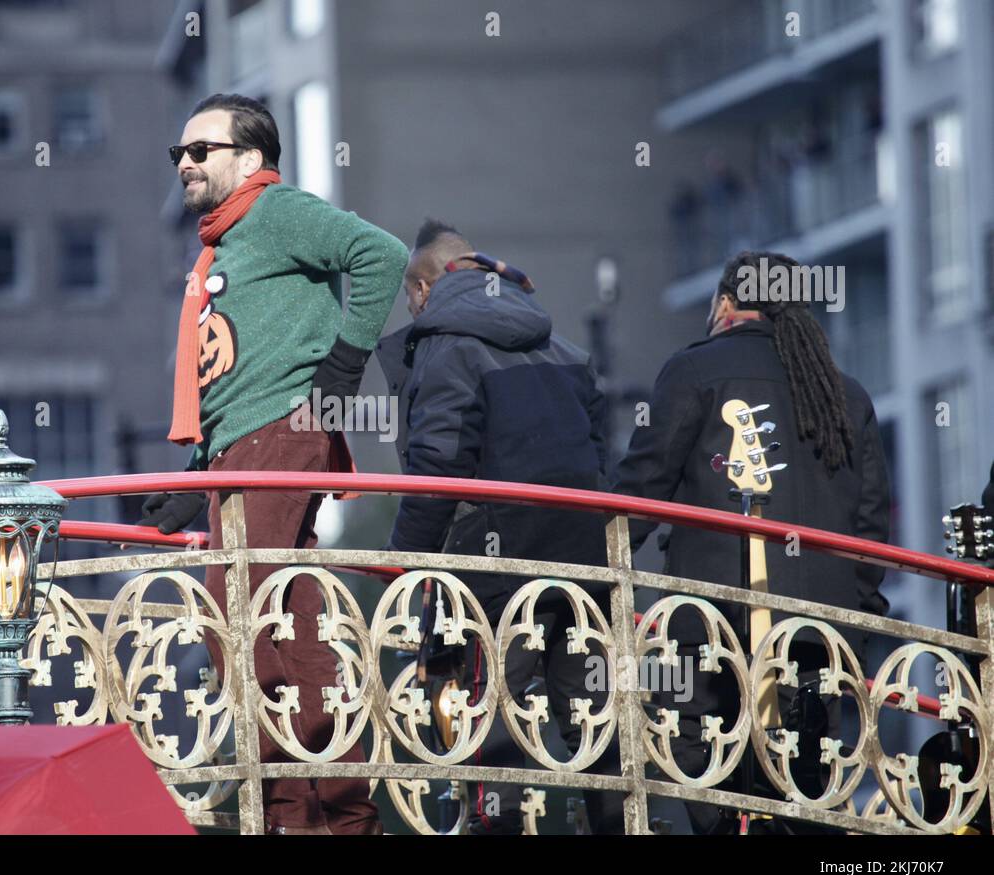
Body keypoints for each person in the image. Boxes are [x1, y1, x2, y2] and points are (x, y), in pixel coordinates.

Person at [139, 93, 408, 835]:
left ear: (250, 159)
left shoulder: (276, 209)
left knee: (238, 612)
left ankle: (309, 812)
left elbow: (380, 254)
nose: (186, 163)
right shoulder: (221, 246)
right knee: (289, 624)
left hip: (282, 433)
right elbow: (232, 372)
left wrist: (342, 370)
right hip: (244, 448)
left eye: (202, 150)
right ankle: (320, 813)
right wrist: (198, 481)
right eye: (179, 154)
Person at [613, 250, 892, 834]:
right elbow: (870, 531)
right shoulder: (848, 395)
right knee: (806, 792)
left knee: (702, 773)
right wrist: (857, 625)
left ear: (724, 304)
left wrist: (594, 583)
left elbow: (639, 491)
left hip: (709, 630)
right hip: (820, 637)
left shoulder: (694, 371)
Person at [377, 219, 620, 834]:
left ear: (425, 288)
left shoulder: (444, 347)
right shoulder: (563, 347)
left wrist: (401, 564)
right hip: (584, 561)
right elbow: (600, 457)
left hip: (493, 568)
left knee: (487, 722)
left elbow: (438, 464)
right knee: (597, 724)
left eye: (410, 298)